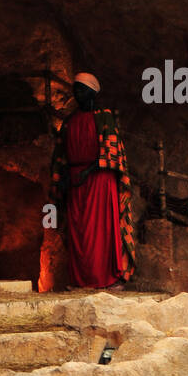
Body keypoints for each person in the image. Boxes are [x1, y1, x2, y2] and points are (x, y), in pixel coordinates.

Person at [49, 72, 135, 288]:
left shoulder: (104, 116)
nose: (77, 93)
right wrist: (64, 177)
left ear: (92, 92)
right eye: (75, 89)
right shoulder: (69, 121)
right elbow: (60, 154)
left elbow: (113, 150)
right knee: (78, 231)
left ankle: (109, 278)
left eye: (81, 89)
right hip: (76, 180)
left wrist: (90, 170)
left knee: (102, 230)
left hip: (100, 179)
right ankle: (81, 280)